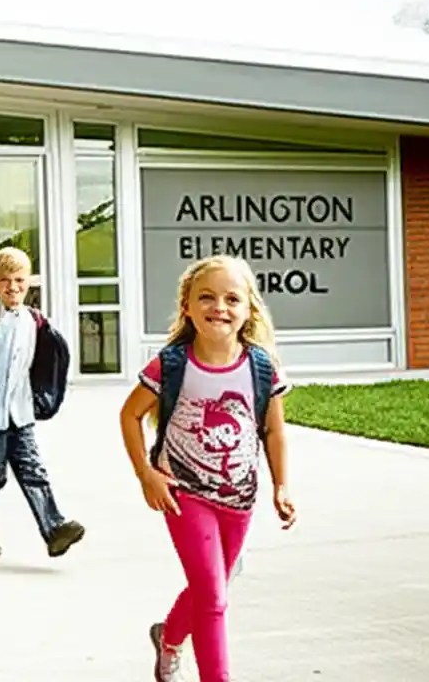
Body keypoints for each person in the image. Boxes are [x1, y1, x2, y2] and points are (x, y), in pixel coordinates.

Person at [119, 255, 297, 682]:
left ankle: (169, 638)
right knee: (214, 599)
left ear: (248, 309)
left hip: (239, 498)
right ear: (187, 306)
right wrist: (146, 472)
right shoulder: (172, 364)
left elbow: (273, 432)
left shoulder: (261, 367)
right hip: (183, 493)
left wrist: (282, 486)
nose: (219, 306)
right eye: (207, 297)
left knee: (209, 589)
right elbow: (129, 416)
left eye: (231, 298)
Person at [0, 246, 85, 558]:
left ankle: (53, 528)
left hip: (21, 410)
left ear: (29, 282)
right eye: (5, 280)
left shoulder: (34, 321)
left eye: (19, 280)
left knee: (33, 470)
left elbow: (47, 358)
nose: (13, 287)